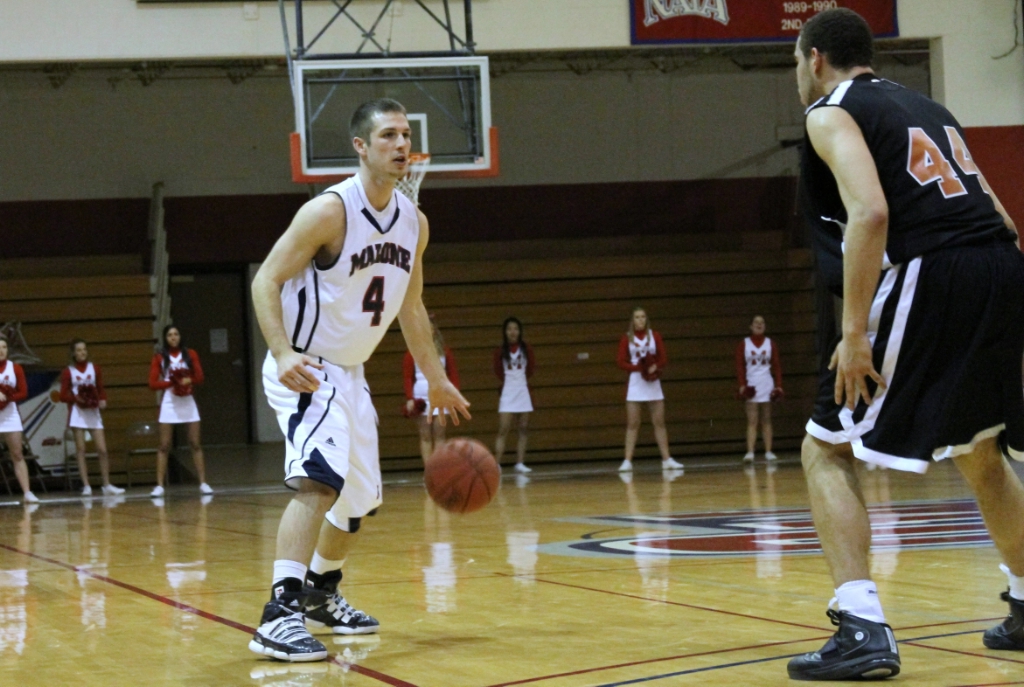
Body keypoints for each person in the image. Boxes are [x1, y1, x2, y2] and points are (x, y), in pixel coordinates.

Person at [788, 9, 1024, 680]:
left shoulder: (831, 110)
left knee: (825, 445)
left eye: (794, 64)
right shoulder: (928, 107)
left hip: (934, 271)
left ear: (814, 59)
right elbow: (1001, 216)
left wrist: (855, 330)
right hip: (1000, 265)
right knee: (981, 449)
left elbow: (871, 211)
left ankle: (861, 628)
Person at [250, 98, 470, 662]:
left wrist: (436, 379)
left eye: (406, 136)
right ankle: (279, 613)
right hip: (306, 364)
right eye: (389, 136)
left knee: (360, 499)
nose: (401, 146)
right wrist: (280, 354)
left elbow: (412, 307)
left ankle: (322, 592)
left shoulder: (413, 223)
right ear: (361, 147)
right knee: (318, 482)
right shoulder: (329, 212)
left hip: (350, 372)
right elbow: (266, 281)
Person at [147, 325, 213, 498]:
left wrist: (186, 380)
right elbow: (152, 383)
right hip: (169, 401)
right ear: (165, 338)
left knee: (194, 443)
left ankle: (203, 483)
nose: (173, 337)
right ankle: (160, 485)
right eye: (170, 335)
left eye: (176, 334)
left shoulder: (190, 354)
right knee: (164, 444)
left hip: (187, 401)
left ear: (180, 336)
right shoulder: (159, 357)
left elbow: (199, 377)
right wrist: (171, 383)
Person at [615, 307, 683, 473]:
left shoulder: (655, 336)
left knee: (659, 422)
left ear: (646, 319)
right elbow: (620, 361)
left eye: (643, 317)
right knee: (633, 423)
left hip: (653, 382)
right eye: (637, 317)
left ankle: (667, 459)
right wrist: (638, 368)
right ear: (633, 320)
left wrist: (654, 367)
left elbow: (663, 358)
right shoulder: (626, 338)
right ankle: (627, 461)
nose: (640, 320)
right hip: (635, 383)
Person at [60, 339, 125, 497]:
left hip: (93, 412)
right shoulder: (68, 371)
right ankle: (86, 485)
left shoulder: (94, 368)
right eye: (79, 350)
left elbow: (100, 388)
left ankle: (106, 484)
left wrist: (102, 399)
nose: (82, 353)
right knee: (81, 449)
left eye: (84, 350)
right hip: (78, 412)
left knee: (102, 449)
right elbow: (62, 395)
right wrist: (77, 399)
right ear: (73, 353)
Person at [403, 318, 461, 462]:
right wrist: (410, 398)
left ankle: (439, 470)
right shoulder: (412, 351)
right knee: (425, 436)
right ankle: (429, 472)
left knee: (440, 435)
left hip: (441, 396)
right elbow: (408, 377)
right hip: (421, 398)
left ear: (435, 330)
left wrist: (455, 395)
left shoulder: (445, 351)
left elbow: (453, 374)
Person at [735, 315, 783, 462]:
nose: (759, 325)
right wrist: (742, 385)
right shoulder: (744, 344)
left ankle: (768, 451)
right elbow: (739, 366)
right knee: (752, 420)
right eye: (756, 322)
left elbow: (776, 366)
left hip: (767, 384)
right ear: (751, 326)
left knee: (767, 419)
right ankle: (750, 452)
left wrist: (779, 386)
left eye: (762, 322)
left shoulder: (770, 343)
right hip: (751, 384)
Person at [493, 317, 535, 473]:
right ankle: (496, 463)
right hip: (508, 391)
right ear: (505, 332)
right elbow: (498, 370)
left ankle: (520, 463)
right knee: (503, 428)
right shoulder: (499, 350)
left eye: (515, 329)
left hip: (522, 389)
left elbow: (531, 368)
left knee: (523, 428)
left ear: (520, 331)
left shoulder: (527, 349)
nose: (513, 332)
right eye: (509, 329)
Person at [0, 336, 37, 504]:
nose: (2, 350)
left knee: (17, 453)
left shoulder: (15, 368)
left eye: (4, 347)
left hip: (10, 414)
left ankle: (27, 493)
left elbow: (23, 392)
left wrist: (7, 397)